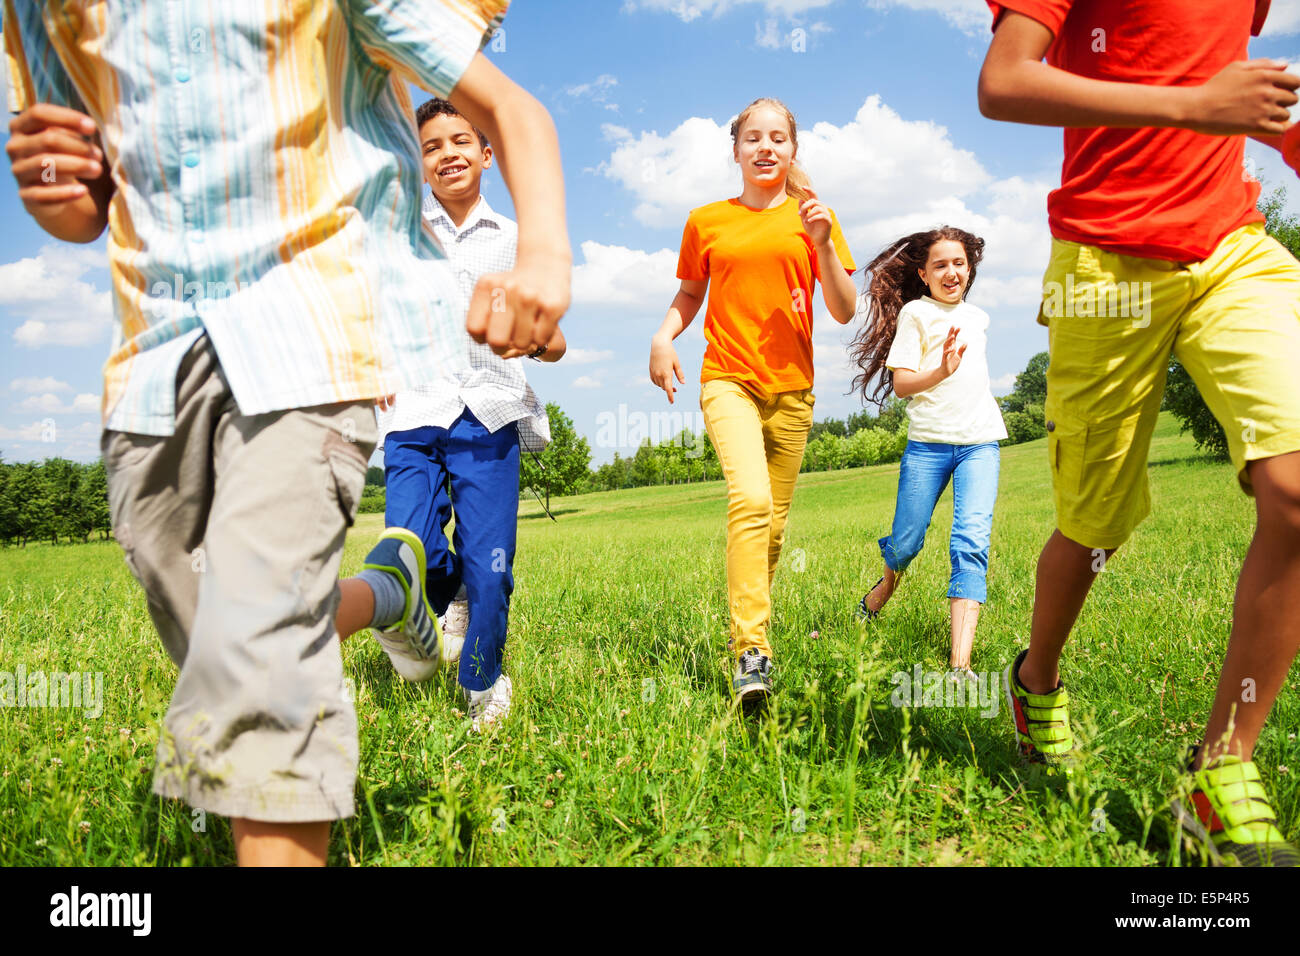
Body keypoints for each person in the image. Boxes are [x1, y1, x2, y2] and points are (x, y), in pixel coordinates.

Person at [4, 0, 570, 865]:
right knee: (207, 609)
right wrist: (56, 186)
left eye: (461, 147)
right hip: (157, 352)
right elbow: (84, 200)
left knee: (269, 625)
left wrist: (542, 261)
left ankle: (453, 688)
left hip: (322, 331)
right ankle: (392, 597)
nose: (449, 155)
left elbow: (514, 109)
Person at [980, 0, 1300, 865]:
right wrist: (1198, 106)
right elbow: (1004, 82)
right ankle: (1034, 681)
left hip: (1232, 244)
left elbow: (1230, 81)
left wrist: (1279, 132)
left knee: (1298, 490)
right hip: (1104, 264)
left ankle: (1220, 771)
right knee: (1095, 527)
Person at [353, 97, 566, 734]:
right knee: (408, 547)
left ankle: (483, 680)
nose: (447, 154)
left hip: (489, 412)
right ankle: (449, 596)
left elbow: (553, 343)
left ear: (486, 154)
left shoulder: (516, 240)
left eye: (460, 141)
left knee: (491, 564)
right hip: (415, 411)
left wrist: (528, 337)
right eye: (431, 146)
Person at [649, 97, 857, 711]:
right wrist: (664, 337)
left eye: (778, 139)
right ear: (736, 149)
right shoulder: (707, 220)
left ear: (793, 150)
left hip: (793, 391)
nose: (766, 148)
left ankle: (752, 643)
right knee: (753, 500)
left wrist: (820, 245)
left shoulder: (815, 215)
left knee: (773, 530)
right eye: (753, 138)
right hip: (728, 379)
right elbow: (690, 293)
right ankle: (751, 650)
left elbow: (845, 309)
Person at [848, 227, 1006, 681]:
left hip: (980, 442)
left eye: (958, 263)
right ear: (923, 273)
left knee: (971, 543)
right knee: (907, 542)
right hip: (928, 446)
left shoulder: (979, 318)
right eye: (940, 265)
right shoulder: (917, 313)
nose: (951, 272)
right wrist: (941, 370)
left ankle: (960, 666)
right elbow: (901, 385)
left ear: (969, 268)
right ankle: (881, 591)